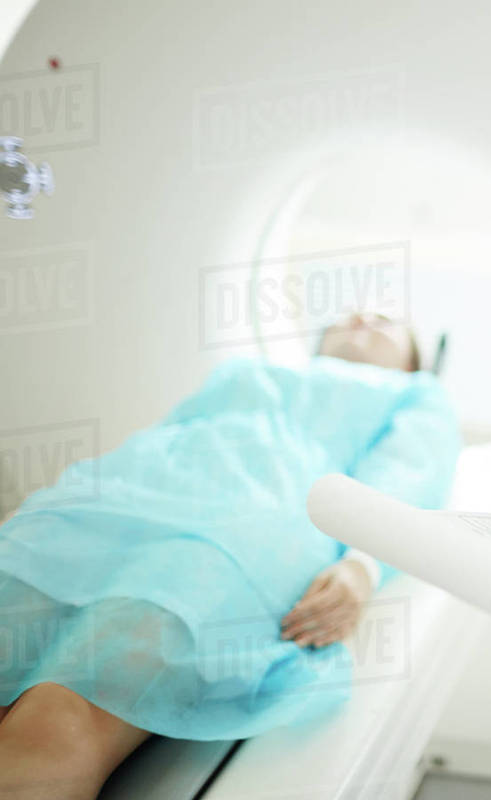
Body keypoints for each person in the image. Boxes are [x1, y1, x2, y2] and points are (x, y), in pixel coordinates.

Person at [0, 313, 459, 800]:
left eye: (385, 321)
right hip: (103, 503)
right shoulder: (243, 370)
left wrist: (361, 565)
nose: (363, 318)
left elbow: (406, 479)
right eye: (351, 314)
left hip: (239, 532)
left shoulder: (412, 394)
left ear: (413, 361)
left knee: (58, 714)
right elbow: (164, 433)